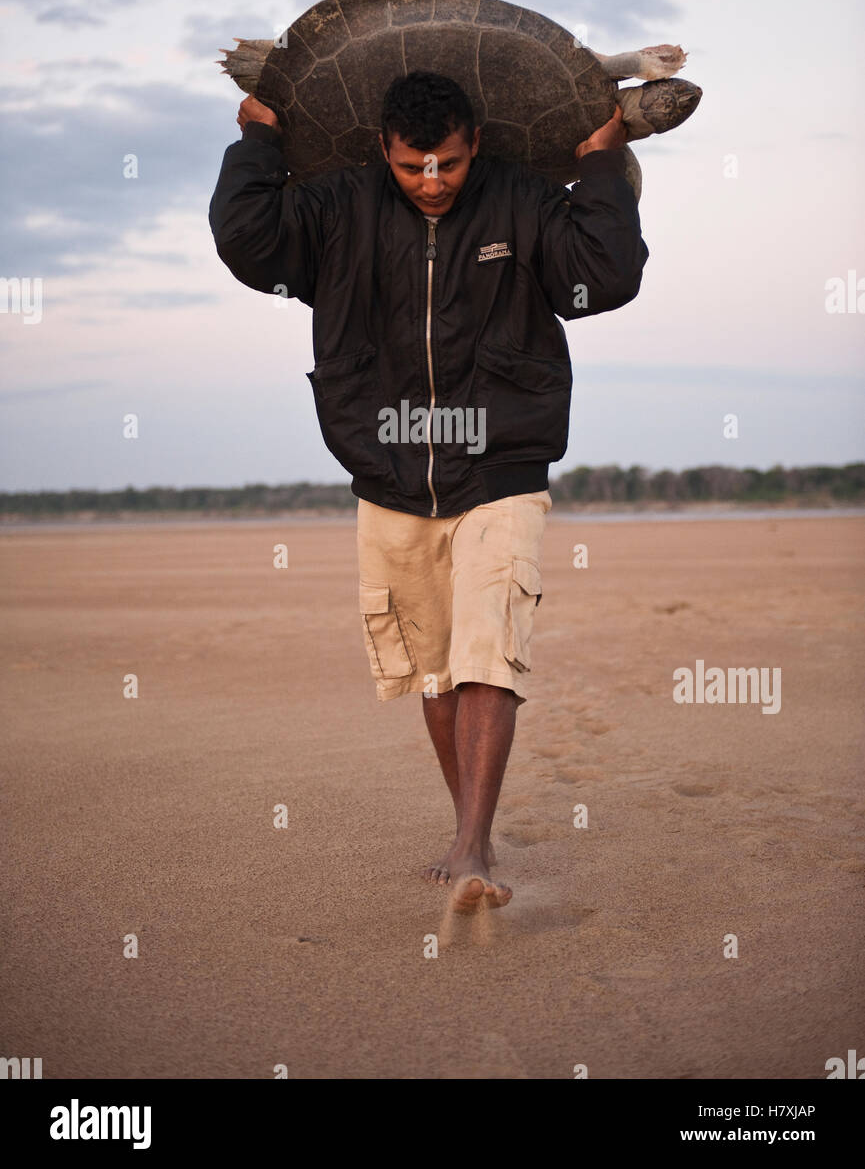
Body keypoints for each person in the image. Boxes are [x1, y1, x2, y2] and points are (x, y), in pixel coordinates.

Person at [209, 70, 647, 913]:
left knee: (489, 651)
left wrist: (599, 168)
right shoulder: (336, 209)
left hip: (501, 465)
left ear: (474, 143)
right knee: (438, 674)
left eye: (447, 162)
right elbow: (249, 244)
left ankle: (474, 846)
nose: (433, 182)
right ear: (383, 150)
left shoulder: (521, 202)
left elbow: (606, 276)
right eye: (413, 167)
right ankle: (468, 829)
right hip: (387, 468)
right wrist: (257, 141)